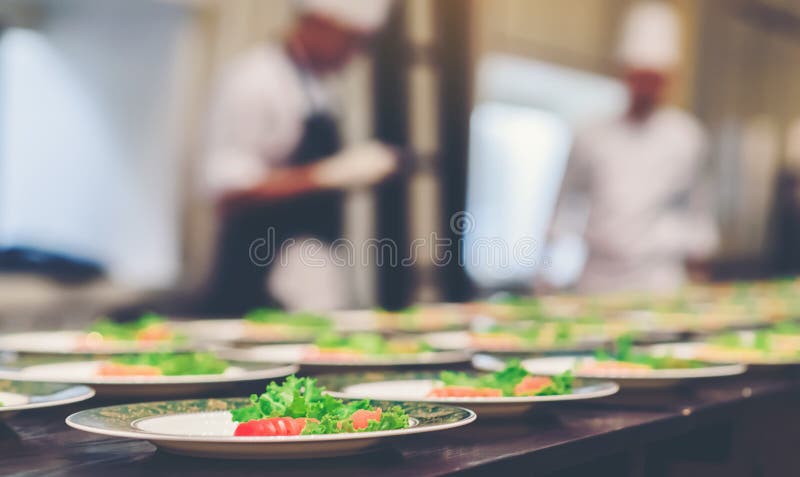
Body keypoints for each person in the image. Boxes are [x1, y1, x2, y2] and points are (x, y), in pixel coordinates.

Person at [202, 0, 395, 314]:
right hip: (258, 284)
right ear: (319, 22)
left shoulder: (321, 88)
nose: (355, 54)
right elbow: (229, 193)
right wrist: (327, 175)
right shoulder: (254, 80)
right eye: (352, 40)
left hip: (314, 278)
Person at [544, 1, 718, 294]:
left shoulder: (688, 136)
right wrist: (545, 271)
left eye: (655, 80)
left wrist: (700, 271)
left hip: (660, 279)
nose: (647, 89)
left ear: (670, 79)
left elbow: (699, 211)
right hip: (597, 278)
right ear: (625, 74)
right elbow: (563, 204)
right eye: (640, 78)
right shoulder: (591, 134)